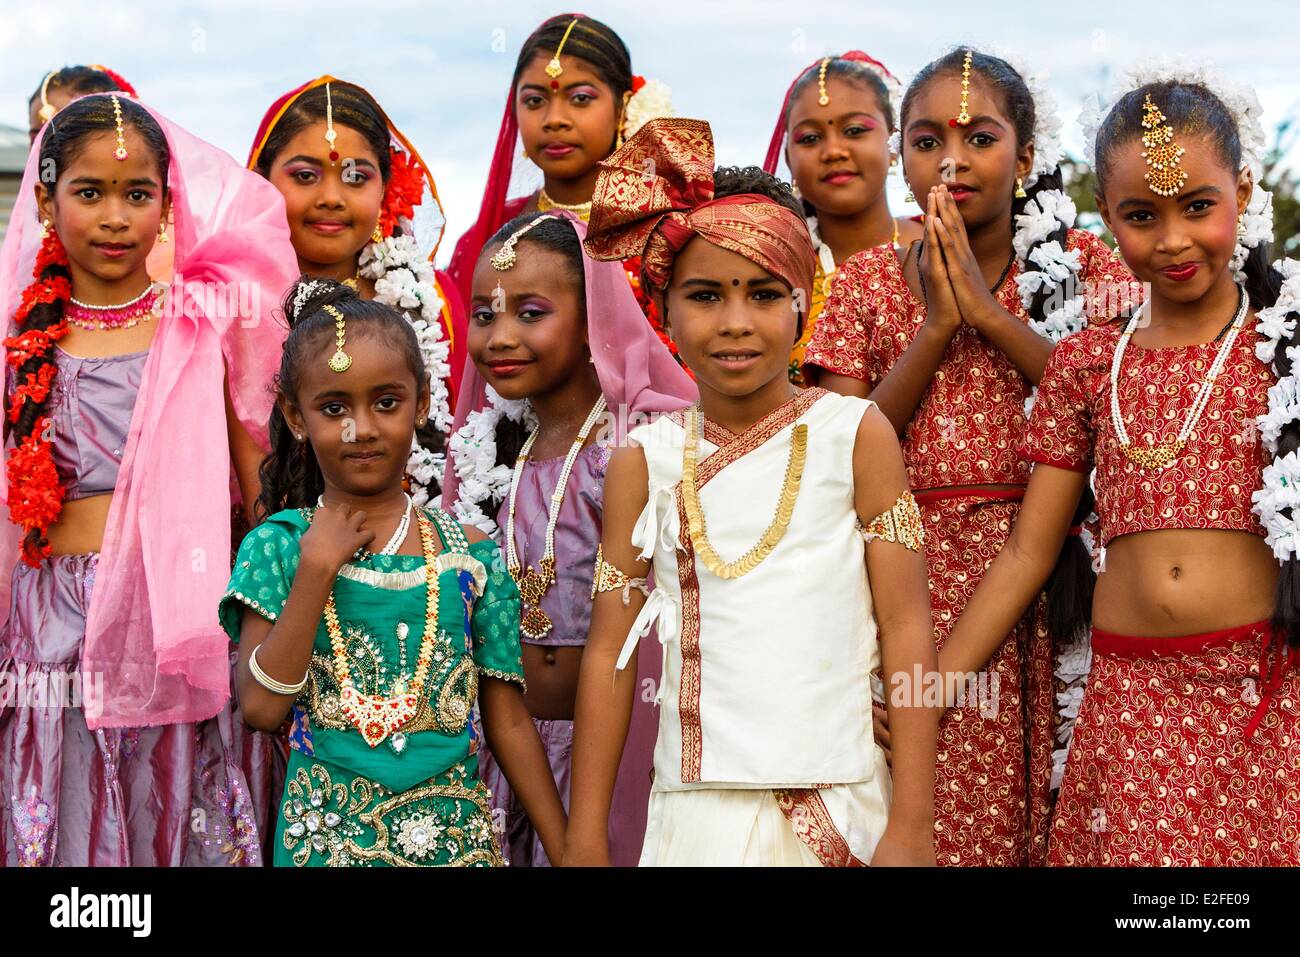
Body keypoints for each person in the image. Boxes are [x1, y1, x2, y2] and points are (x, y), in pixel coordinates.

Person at [945, 66, 1299, 866]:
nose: (1172, 240)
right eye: (1142, 216)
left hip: (1262, 697)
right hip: (1132, 704)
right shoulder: (1085, 363)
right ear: (1107, 218)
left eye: (1198, 207)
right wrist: (935, 686)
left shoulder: (1283, 347)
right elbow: (1029, 551)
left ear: (1243, 191)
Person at [564, 118, 939, 866]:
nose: (736, 322)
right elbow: (609, 650)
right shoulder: (645, 460)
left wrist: (913, 822)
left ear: (804, 302)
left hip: (844, 805)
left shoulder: (857, 435)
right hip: (694, 818)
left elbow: (907, 629)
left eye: (763, 293)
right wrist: (584, 836)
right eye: (706, 295)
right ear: (663, 310)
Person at [803, 47, 1136, 866]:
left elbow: (1118, 415)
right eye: (924, 142)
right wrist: (936, 330)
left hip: (1049, 583)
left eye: (979, 138)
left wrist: (990, 316)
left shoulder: (1089, 270)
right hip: (901, 583)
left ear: (1025, 156)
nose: (949, 162)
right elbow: (837, 450)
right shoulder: (864, 283)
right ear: (900, 157)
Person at [0, 92, 298, 865]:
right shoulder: (19, 338)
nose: (113, 217)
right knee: (65, 800)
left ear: (168, 206)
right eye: (89, 192)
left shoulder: (199, 322)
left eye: (138, 195)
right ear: (45, 198)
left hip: (174, 608)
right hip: (51, 616)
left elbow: (253, 480)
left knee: (165, 792)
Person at [220, 279, 566, 866]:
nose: (363, 428)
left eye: (386, 402)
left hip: (456, 846)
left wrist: (569, 850)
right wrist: (315, 571)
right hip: (326, 848)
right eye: (334, 408)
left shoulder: (473, 557)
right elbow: (260, 709)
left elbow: (506, 719)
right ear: (295, 416)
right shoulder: (278, 548)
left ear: (422, 402)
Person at [441, 209, 695, 865]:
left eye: (530, 312)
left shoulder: (636, 443)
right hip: (505, 750)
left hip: (617, 745)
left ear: (592, 320)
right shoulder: (487, 449)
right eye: (485, 314)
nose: (500, 337)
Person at [249, 76, 460, 505]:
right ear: (261, 182)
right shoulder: (234, 303)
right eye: (305, 175)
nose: (331, 197)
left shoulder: (435, 301)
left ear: (388, 187)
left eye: (355, 177)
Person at [445, 13, 677, 378]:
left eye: (580, 98)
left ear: (624, 107)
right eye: (535, 100)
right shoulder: (488, 238)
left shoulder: (668, 226)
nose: (555, 118)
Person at [762, 51, 921, 385]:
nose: (833, 150)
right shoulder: (772, 267)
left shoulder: (939, 249)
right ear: (789, 158)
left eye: (854, 130)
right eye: (810, 138)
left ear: (893, 143)